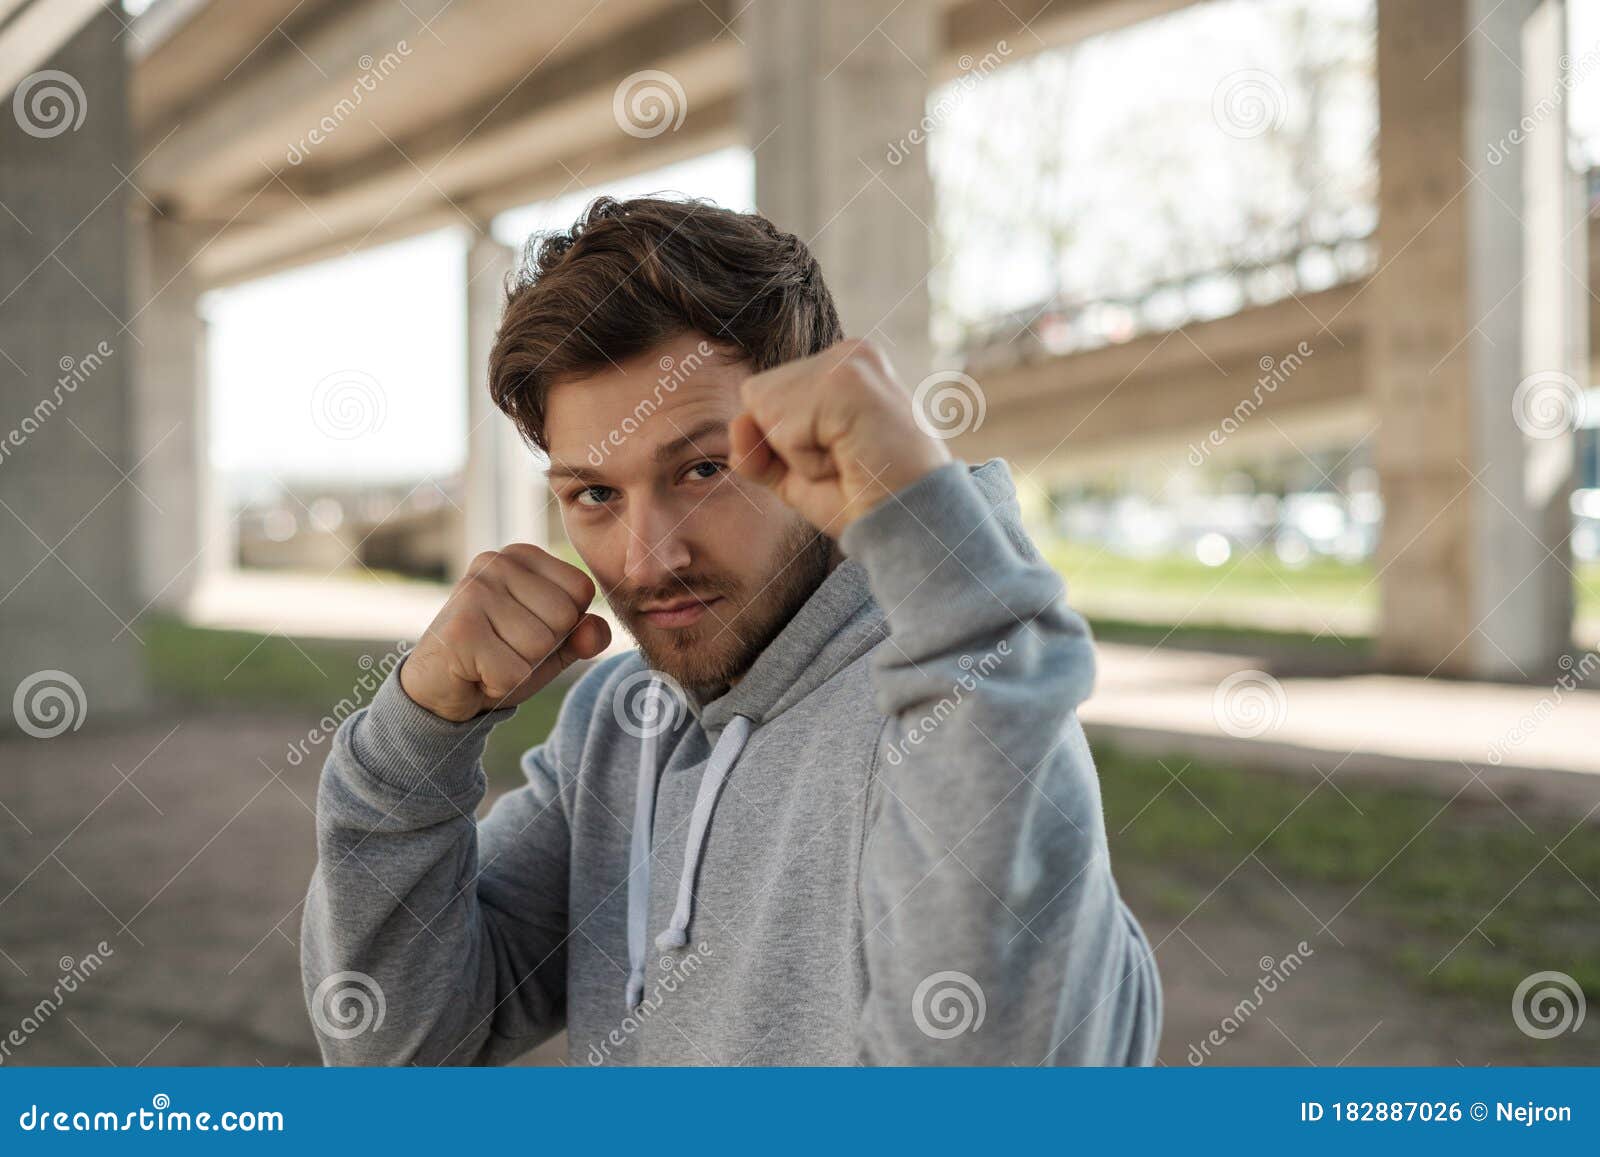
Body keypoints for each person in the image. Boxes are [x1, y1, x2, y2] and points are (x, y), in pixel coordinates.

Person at [300, 195, 1162, 1065]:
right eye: (595, 494)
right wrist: (416, 735)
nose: (645, 560)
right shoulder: (620, 719)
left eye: (704, 468)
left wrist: (940, 550)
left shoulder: (946, 715)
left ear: (812, 446)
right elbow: (396, 1047)